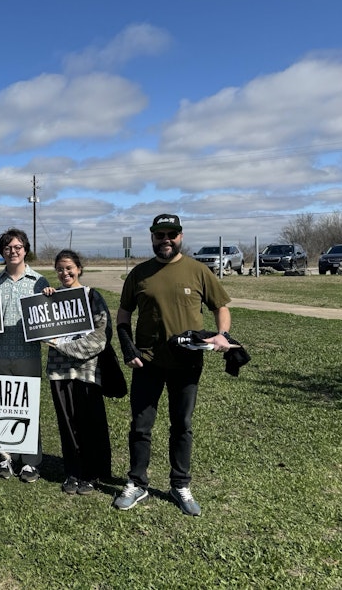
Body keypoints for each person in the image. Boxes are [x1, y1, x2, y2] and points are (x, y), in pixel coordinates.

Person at [113, 214, 232, 516]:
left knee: (182, 426)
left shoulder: (198, 270)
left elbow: (221, 306)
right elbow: (124, 314)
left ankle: (180, 484)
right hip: (147, 362)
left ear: (180, 235)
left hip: (187, 362)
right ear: (152, 237)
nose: (165, 239)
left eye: (171, 234)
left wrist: (222, 335)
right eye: (159, 235)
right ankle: (137, 483)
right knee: (141, 427)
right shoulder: (140, 273)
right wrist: (128, 348)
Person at [42, 250, 113, 495]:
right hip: (59, 372)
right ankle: (72, 472)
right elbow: (40, 327)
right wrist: (45, 300)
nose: (65, 273)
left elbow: (101, 336)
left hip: (87, 372)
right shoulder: (51, 298)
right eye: (60, 269)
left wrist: (66, 347)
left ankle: (91, 474)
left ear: (79, 269)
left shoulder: (92, 296)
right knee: (66, 424)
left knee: (88, 423)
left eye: (69, 268)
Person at [0, 228, 50, 483]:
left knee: (29, 407)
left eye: (17, 248)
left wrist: (51, 298)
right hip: (0, 353)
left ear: (25, 250)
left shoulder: (40, 282)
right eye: (7, 248)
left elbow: (49, 317)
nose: (13, 252)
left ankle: (30, 461)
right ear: (2, 252)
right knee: (2, 406)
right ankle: (6, 456)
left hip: (28, 354)